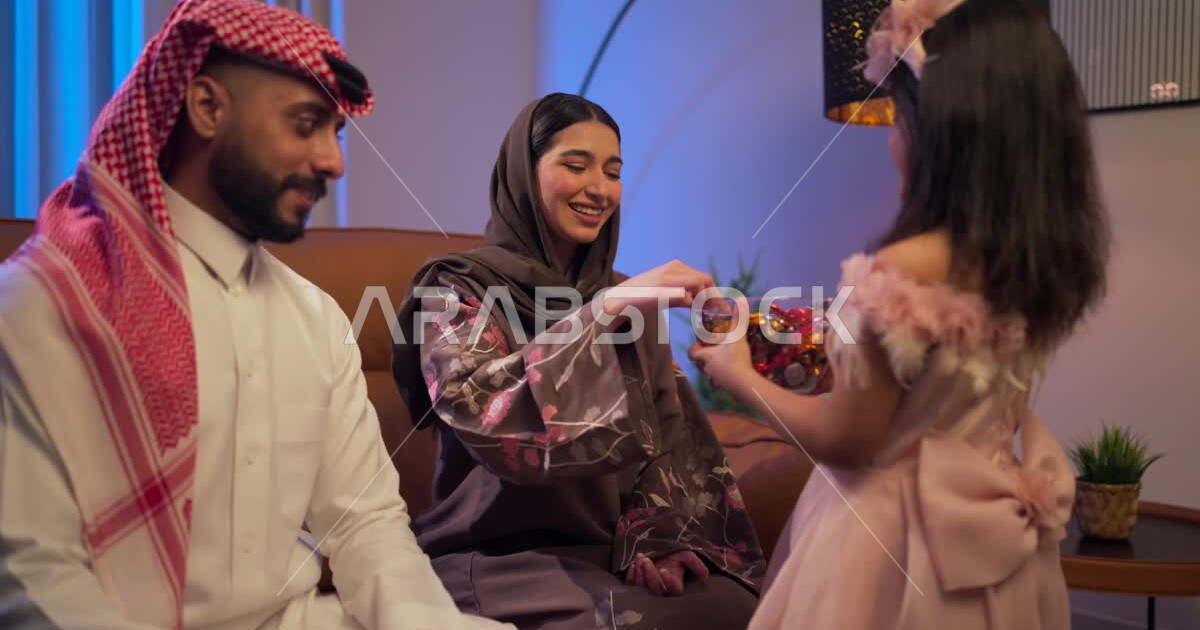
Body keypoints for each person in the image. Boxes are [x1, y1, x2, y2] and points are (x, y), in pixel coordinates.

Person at [0, 1, 511, 628]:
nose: (334, 162)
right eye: (305, 125)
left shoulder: (316, 319)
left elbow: (367, 527)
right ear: (207, 108)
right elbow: (31, 573)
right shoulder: (43, 305)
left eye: (335, 132)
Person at [690, 0, 1109, 628]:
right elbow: (930, 393)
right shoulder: (1043, 264)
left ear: (945, 129)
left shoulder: (906, 266)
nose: (891, 141)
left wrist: (735, 373)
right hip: (1000, 559)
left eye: (898, 120)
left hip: (889, 548)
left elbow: (849, 440)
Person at [391, 93, 765, 629]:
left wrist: (657, 538)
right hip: (496, 555)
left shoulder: (623, 294)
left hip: (605, 554)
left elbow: (667, 434)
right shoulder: (455, 286)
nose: (598, 188)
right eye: (575, 165)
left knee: (738, 609)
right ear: (524, 172)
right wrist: (606, 310)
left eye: (613, 172)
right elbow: (483, 410)